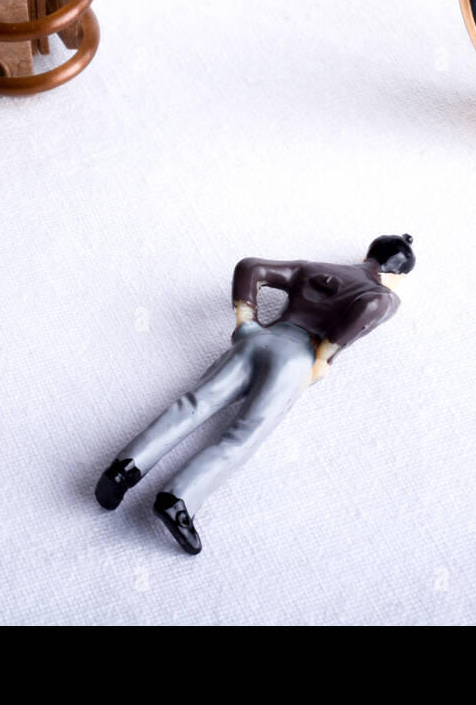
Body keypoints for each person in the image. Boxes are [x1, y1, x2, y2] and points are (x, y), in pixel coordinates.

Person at [95, 234, 416, 554]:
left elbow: (251, 267)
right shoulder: (384, 295)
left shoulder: (315, 267)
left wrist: (245, 320)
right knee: (243, 435)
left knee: (195, 403)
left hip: (262, 336)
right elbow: (368, 306)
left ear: (368, 253)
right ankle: (178, 498)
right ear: (397, 274)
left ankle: (125, 467)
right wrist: (324, 358)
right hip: (297, 357)